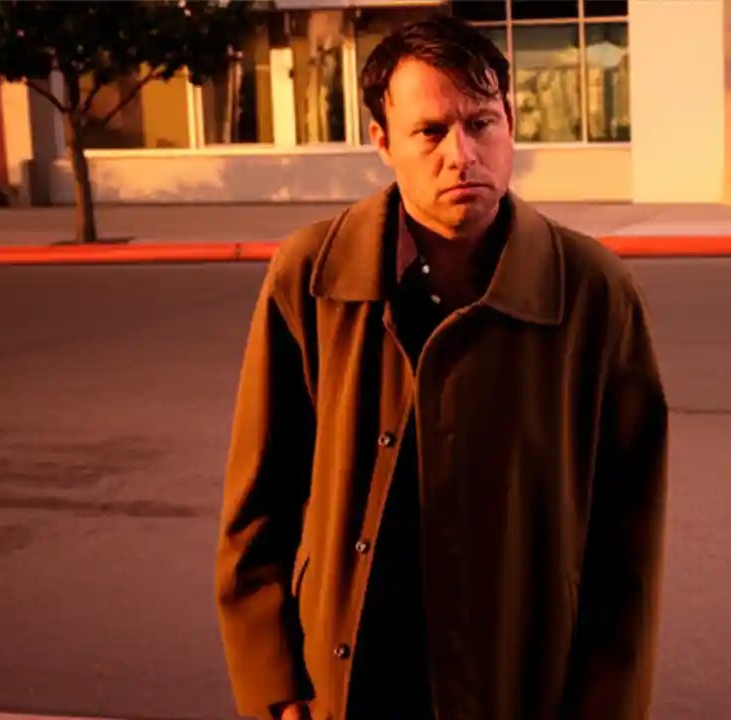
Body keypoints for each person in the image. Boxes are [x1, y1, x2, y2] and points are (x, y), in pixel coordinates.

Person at [214, 15, 668, 720]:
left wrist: (607, 703)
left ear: (511, 123)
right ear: (382, 142)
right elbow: (258, 504)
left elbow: (628, 543)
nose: (462, 154)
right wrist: (275, 690)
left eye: (481, 123)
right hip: (351, 684)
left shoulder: (591, 289)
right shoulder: (313, 275)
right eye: (430, 132)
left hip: (520, 683)